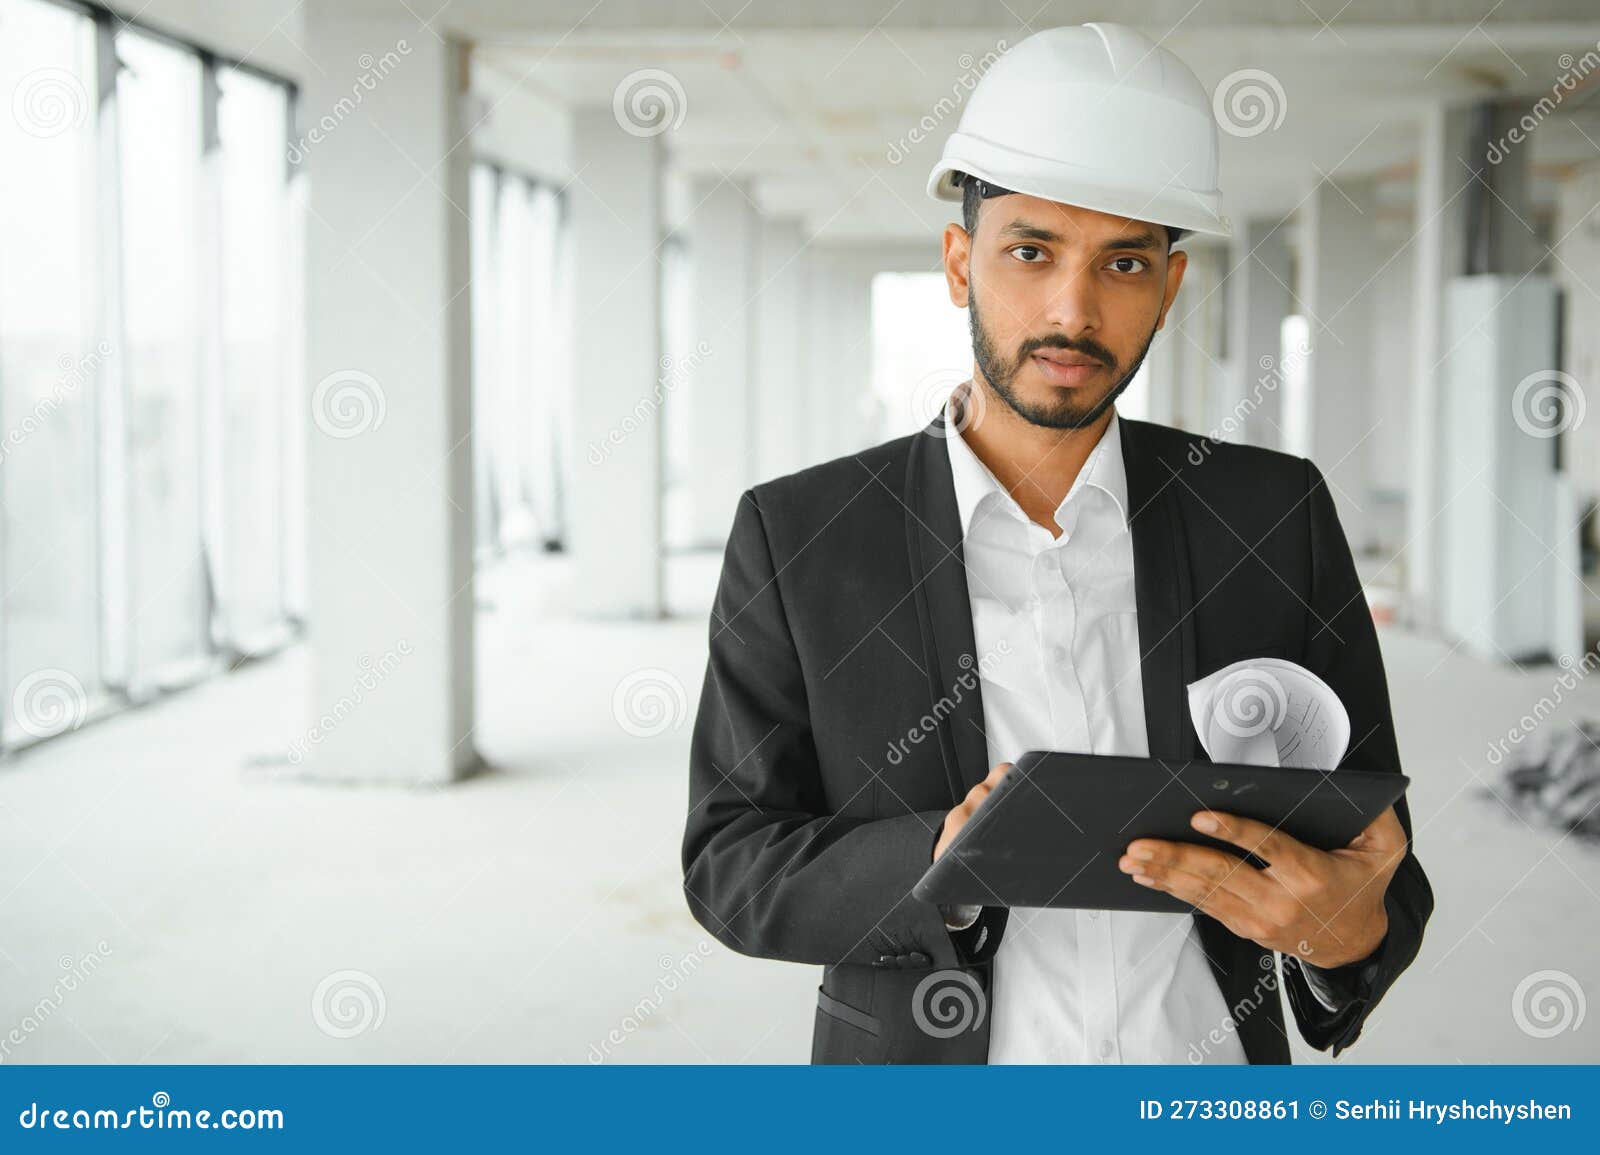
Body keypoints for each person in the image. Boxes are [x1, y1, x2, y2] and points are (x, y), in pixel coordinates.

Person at [681, 22, 1432, 1064]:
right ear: (959, 261)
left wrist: (1346, 937)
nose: (1071, 310)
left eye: (1122, 262)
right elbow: (732, 860)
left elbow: (1373, 849)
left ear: (1168, 288)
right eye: (1029, 252)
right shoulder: (805, 535)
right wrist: (938, 863)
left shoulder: (1268, 513)